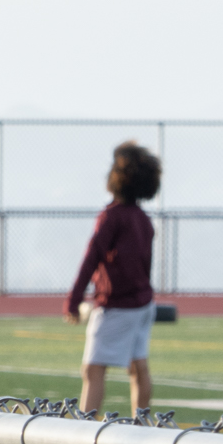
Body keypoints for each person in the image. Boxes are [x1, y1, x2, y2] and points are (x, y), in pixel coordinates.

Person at [65, 140, 161, 413]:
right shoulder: (142, 218)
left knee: (92, 369)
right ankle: (141, 424)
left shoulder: (112, 217)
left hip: (117, 306)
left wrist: (73, 299)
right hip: (144, 303)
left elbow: (91, 257)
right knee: (138, 366)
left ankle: (83, 433)